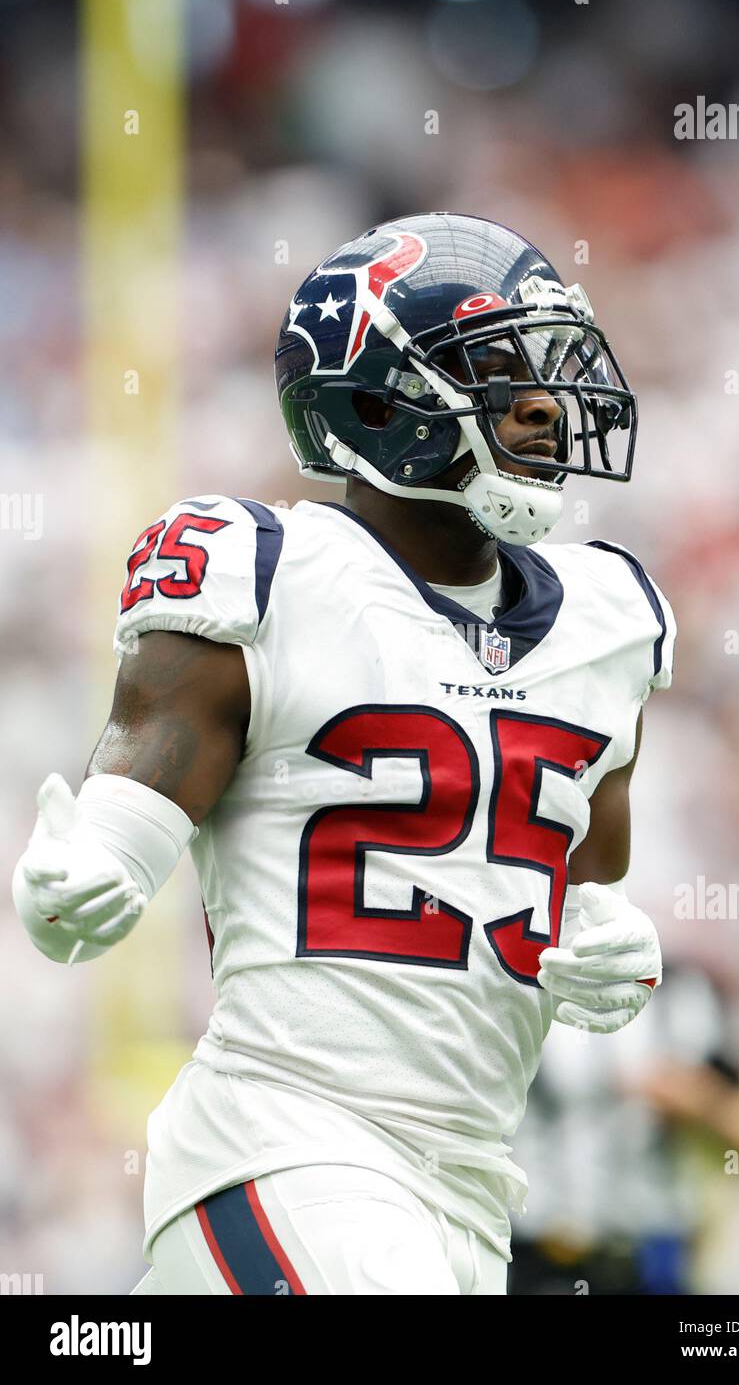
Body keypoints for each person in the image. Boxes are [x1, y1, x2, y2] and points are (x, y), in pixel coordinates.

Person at [12, 212, 675, 1295]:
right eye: (495, 368)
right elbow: (132, 806)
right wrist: (90, 869)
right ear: (379, 401)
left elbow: (583, 878)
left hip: (468, 1190)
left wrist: (613, 940)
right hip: (280, 1143)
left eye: (549, 365)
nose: (547, 400)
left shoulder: (612, 619)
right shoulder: (267, 572)